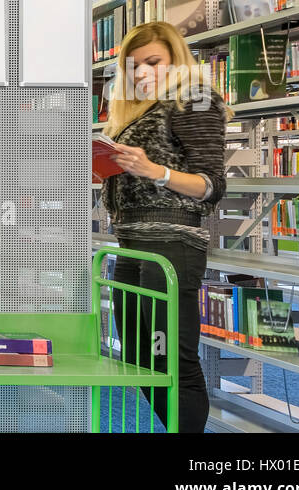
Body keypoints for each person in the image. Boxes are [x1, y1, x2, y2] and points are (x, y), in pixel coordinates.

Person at [102, 21, 232, 433]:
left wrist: (154, 171)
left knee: (172, 358)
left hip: (171, 245)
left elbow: (211, 185)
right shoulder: (140, 110)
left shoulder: (194, 102)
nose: (141, 73)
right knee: (140, 357)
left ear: (177, 60)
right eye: (134, 67)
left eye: (153, 62)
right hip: (130, 243)